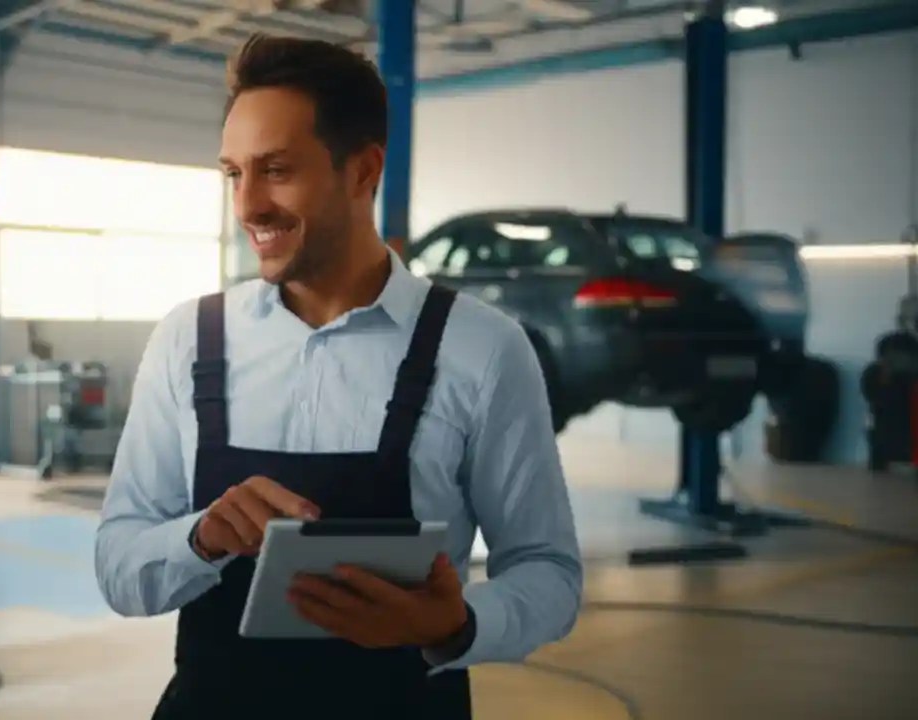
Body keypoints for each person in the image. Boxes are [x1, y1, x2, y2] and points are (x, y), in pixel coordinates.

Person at [95, 34, 583, 718]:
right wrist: (203, 535)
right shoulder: (188, 339)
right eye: (234, 173)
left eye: (277, 170)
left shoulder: (483, 349)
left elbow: (549, 572)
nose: (247, 206)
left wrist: (456, 624)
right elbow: (119, 565)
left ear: (362, 172)